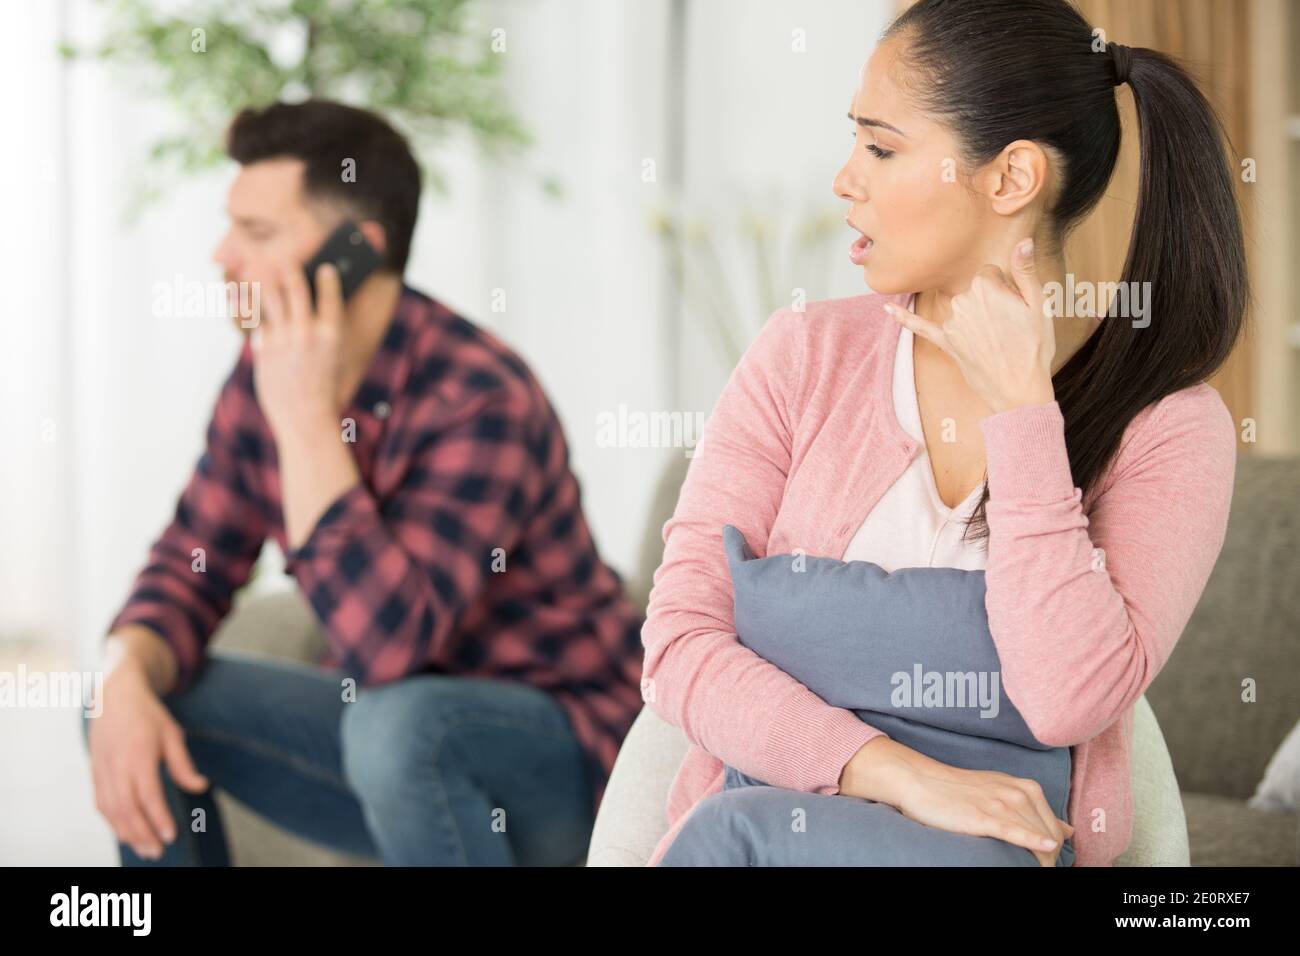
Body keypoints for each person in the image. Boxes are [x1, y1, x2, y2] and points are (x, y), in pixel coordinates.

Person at [642, 0, 1243, 866]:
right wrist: (896, 773)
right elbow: (679, 645)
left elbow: (1069, 701)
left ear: (1009, 180)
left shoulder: (1171, 430)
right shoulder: (803, 354)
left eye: (882, 148)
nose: (845, 178)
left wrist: (1024, 419)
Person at [85, 100, 645, 866]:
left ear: (355, 250)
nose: (222, 256)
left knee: (399, 722)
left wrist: (308, 423)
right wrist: (125, 669)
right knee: (131, 701)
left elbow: (391, 648)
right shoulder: (264, 377)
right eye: (229, 226)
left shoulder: (480, 396)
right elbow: (190, 563)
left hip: (562, 762)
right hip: (397, 753)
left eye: (256, 234)